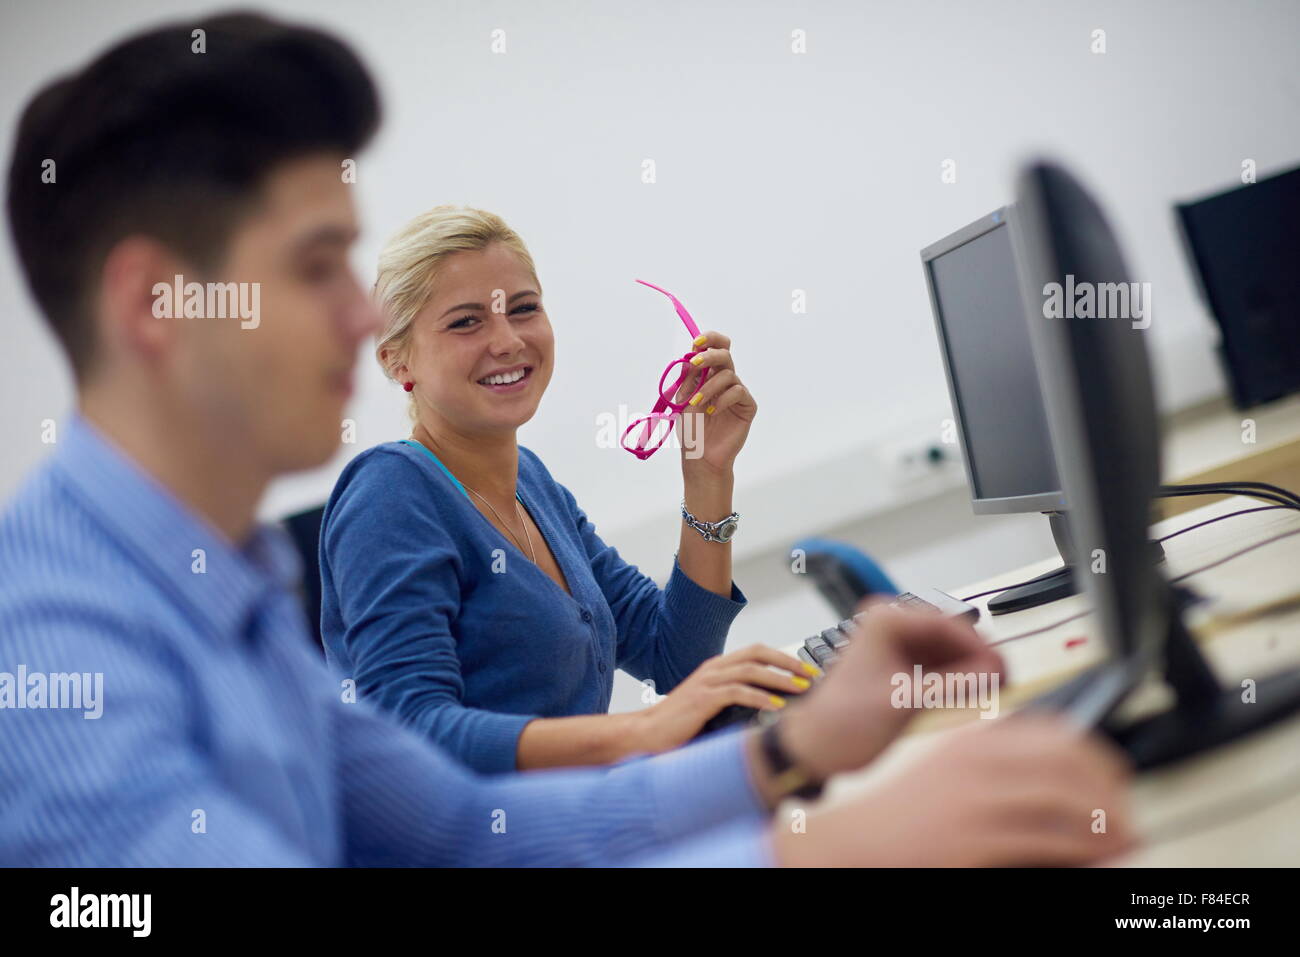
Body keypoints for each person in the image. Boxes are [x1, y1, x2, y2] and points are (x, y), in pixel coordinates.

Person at [0, 11, 1136, 867]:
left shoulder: (228, 588)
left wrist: (787, 754)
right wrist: (827, 847)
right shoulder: (50, 644)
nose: (357, 315)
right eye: (316, 268)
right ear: (158, 306)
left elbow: (461, 827)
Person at [319, 204, 812, 773]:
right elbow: (415, 732)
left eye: (524, 309)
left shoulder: (532, 482)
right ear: (397, 359)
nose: (506, 341)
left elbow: (676, 659)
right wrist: (640, 732)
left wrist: (708, 477)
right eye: (466, 321)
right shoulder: (390, 491)